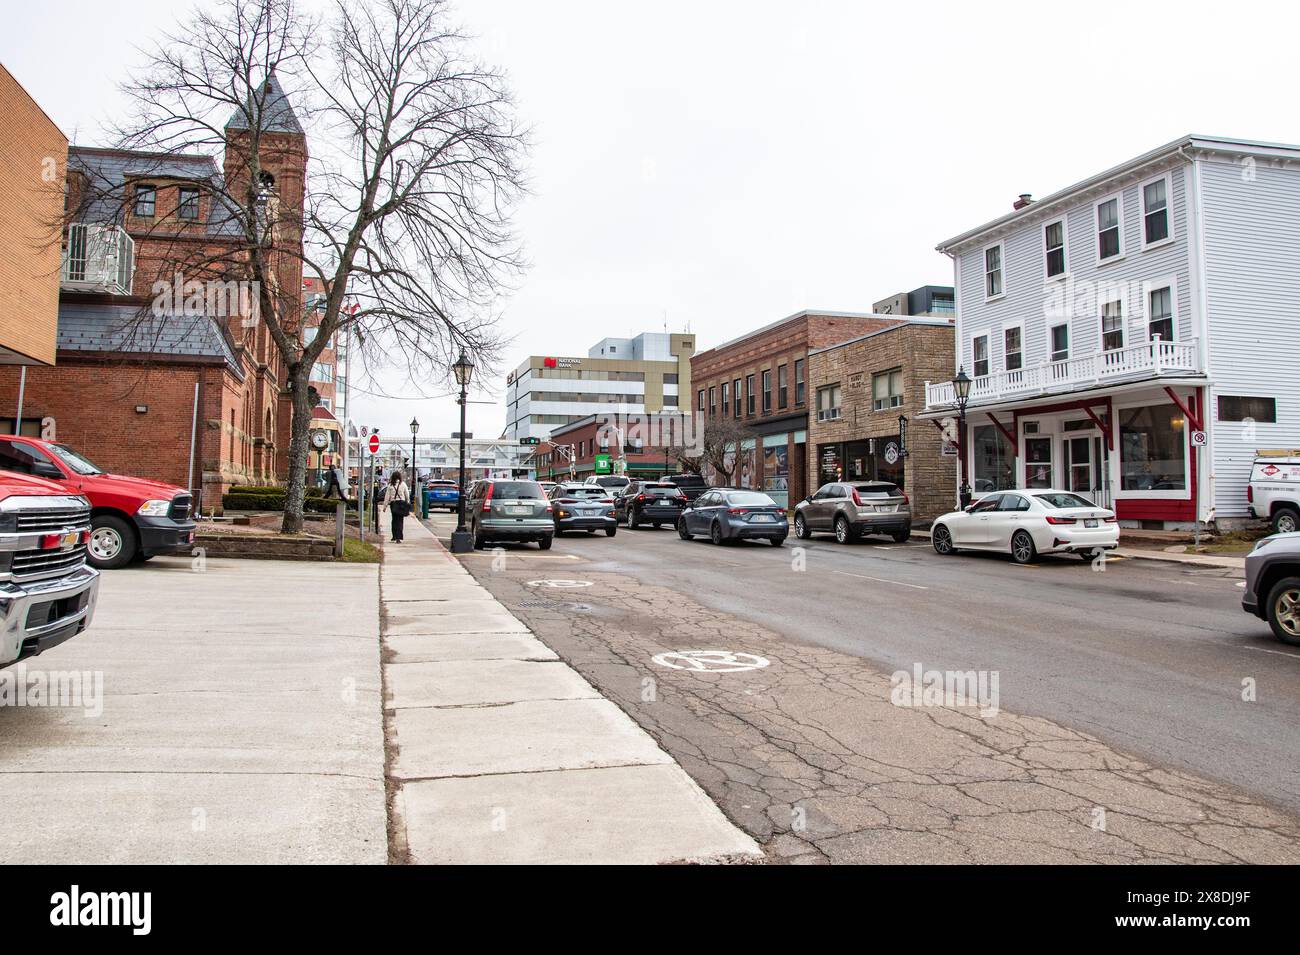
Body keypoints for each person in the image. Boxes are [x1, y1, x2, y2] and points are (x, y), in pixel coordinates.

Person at [382, 470, 411, 543]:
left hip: (393, 504)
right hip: (401, 503)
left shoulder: (390, 485)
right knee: (400, 520)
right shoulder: (403, 484)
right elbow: (407, 495)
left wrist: (384, 507)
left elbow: (387, 497)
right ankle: (399, 537)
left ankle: (394, 536)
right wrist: (408, 503)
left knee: (394, 520)